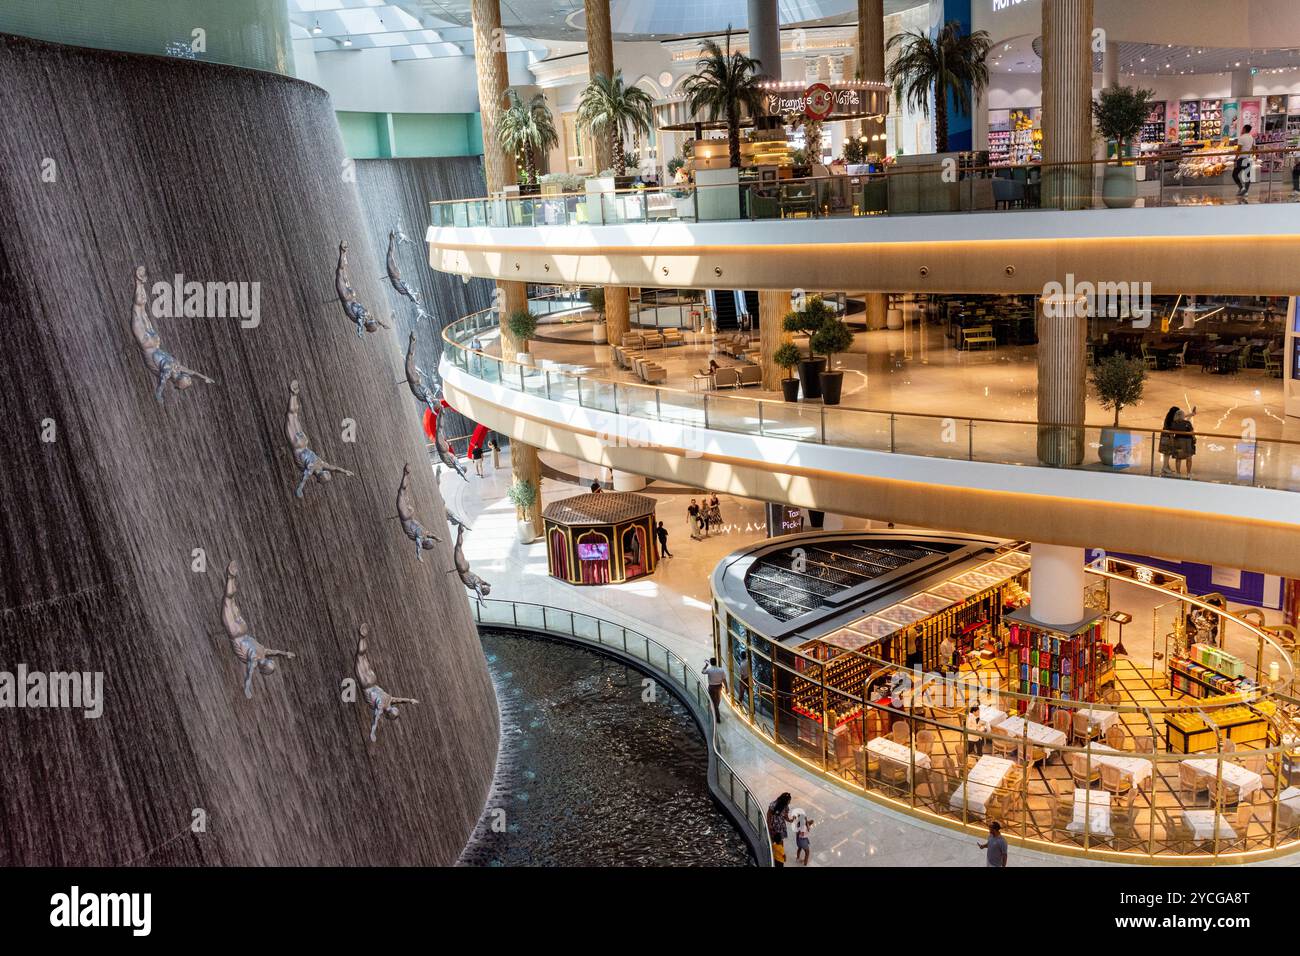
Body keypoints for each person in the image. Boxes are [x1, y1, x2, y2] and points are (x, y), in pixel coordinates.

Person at [221, 561, 295, 699]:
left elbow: (275, 653)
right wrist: (247, 688)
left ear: (268, 664)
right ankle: (231, 576)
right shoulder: (256, 658)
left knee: (231, 600)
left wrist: (286, 654)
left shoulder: (262, 652)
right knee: (228, 599)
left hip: (242, 628)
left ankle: (232, 577)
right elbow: (249, 674)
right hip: (234, 632)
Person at [355, 624, 419, 742]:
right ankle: (362, 637)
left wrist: (410, 700)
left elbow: (401, 700)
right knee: (359, 657)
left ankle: (363, 638)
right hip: (365, 683)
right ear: (387, 715)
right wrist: (372, 733)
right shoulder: (380, 708)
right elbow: (375, 720)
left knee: (362, 656)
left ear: (393, 708)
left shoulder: (390, 699)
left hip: (373, 679)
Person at [767, 793, 795, 867]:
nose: (790, 802)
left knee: (780, 840)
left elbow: (785, 817)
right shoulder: (773, 805)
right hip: (773, 826)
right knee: (773, 840)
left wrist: (790, 820)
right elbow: (769, 815)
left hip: (781, 826)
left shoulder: (786, 807)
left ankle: (780, 853)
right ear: (785, 800)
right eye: (789, 800)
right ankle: (774, 854)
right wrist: (769, 825)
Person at [1169, 406, 1197, 477]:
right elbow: (1192, 433)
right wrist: (1194, 439)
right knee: (1189, 458)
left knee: (1178, 458)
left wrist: (1172, 443)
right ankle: (1188, 473)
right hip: (1187, 442)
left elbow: (1171, 435)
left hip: (1178, 442)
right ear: (1183, 416)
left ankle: (1178, 473)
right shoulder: (1187, 423)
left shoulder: (1173, 424)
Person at [1234, 124, 1256, 200]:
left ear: (1244, 129)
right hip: (1248, 158)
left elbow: (1239, 149)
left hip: (1242, 159)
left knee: (1234, 174)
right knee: (1247, 176)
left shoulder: (1241, 138)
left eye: (1242, 128)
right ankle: (1245, 191)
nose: (1241, 130)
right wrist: (1253, 155)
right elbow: (1254, 148)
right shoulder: (1251, 137)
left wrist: (1235, 159)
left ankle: (1241, 188)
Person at [1158, 405, 1180, 476]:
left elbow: (1182, 417)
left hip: (1164, 435)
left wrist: (1191, 414)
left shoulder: (1169, 418)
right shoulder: (1172, 421)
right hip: (1167, 437)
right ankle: (1164, 467)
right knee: (1167, 452)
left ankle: (1167, 467)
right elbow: (1171, 430)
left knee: (1166, 452)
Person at [702, 657, 726, 722]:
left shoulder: (709, 670)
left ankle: (715, 714)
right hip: (719, 687)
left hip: (711, 687)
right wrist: (727, 688)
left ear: (711, 663)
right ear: (716, 662)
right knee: (717, 700)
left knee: (712, 701)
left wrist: (706, 665)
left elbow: (702, 671)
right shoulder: (721, 670)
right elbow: (724, 680)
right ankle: (715, 710)